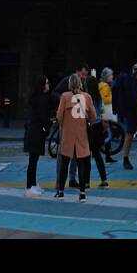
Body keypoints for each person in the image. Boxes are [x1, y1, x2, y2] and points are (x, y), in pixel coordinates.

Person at [54, 73, 95, 201]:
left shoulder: (65, 97)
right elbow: (93, 116)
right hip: (81, 134)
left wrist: (65, 125)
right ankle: (82, 193)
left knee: (64, 164)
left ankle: (61, 191)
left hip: (68, 134)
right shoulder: (87, 97)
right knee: (81, 164)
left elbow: (59, 116)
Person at [113, 63, 137, 170]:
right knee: (129, 135)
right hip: (131, 112)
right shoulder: (128, 80)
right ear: (132, 70)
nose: (136, 71)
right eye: (135, 69)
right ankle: (125, 159)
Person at [23, 75, 52, 196]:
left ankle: (33, 184)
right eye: (46, 83)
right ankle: (29, 186)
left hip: (35, 131)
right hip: (36, 132)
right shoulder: (40, 99)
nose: (48, 85)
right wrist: (49, 123)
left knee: (34, 159)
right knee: (33, 160)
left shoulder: (38, 98)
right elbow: (42, 116)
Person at [99, 67, 119, 162]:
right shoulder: (104, 86)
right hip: (105, 113)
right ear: (107, 76)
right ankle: (100, 149)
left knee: (108, 134)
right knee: (109, 135)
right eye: (111, 75)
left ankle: (108, 156)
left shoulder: (104, 85)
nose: (112, 77)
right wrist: (113, 99)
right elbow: (104, 100)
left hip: (105, 113)